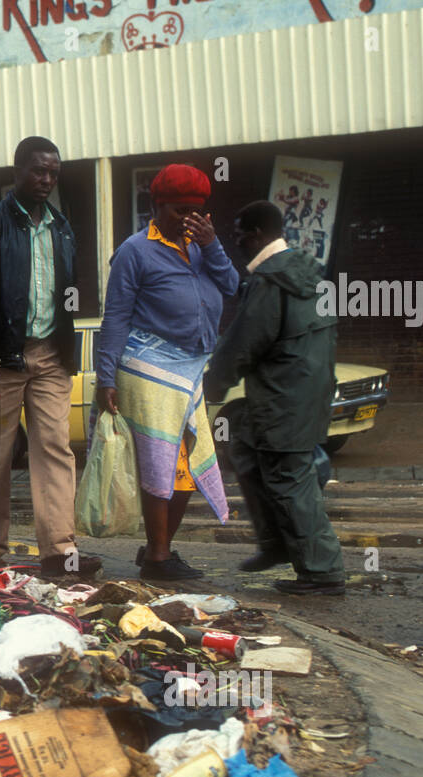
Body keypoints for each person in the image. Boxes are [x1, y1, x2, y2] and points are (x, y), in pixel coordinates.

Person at [0, 136, 101, 577]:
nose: (47, 179)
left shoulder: (61, 226)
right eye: (38, 170)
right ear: (17, 171)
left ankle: (59, 550)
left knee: (55, 449)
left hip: (52, 357)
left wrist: (68, 352)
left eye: (54, 172)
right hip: (0, 361)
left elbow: (67, 295)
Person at [95, 163, 237, 581]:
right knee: (163, 465)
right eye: (178, 211)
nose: (187, 220)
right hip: (146, 369)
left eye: (197, 212)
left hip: (190, 373)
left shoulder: (202, 247)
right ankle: (158, 556)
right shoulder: (134, 251)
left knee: (188, 465)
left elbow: (232, 287)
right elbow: (115, 317)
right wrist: (106, 377)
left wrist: (212, 246)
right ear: (156, 206)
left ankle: (159, 549)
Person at [205, 200, 345, 596]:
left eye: (240, 236)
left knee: (290, 480)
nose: (238, 243)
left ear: (258, 235)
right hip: (307, 392)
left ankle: (323, 571)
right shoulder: (311, 274)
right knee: (245, 447)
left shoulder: (270, 281)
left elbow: (245, 341)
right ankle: (276, 544)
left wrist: (213, 385)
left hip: (284, 398)